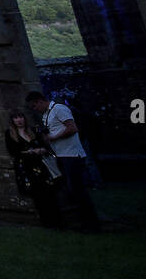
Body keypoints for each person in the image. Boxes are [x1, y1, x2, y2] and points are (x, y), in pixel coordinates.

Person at [27, 91, 100, 231]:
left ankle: (91, 224)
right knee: (72, 190)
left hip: (71, 155)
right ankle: (83, 221)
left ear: (39, 101)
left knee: (78, 190)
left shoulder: (59, 109)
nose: (35, 109)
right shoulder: (46, 115)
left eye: (34, 106)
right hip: (61, 154)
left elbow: (72, 128)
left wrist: (54, 137)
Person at [4, 110, 63, 229]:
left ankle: (59, 220)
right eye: (16, 118)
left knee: (50, 192)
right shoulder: (10, 134)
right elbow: (13, 151)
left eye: (20, 117)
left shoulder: (33, 131)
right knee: (38, 194)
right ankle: (47, 222)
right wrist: (29, 152)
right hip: (26, 167)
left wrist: (41, 150)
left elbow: (46, 146)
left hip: (41, 164)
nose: (19, 120)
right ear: (12, 121)